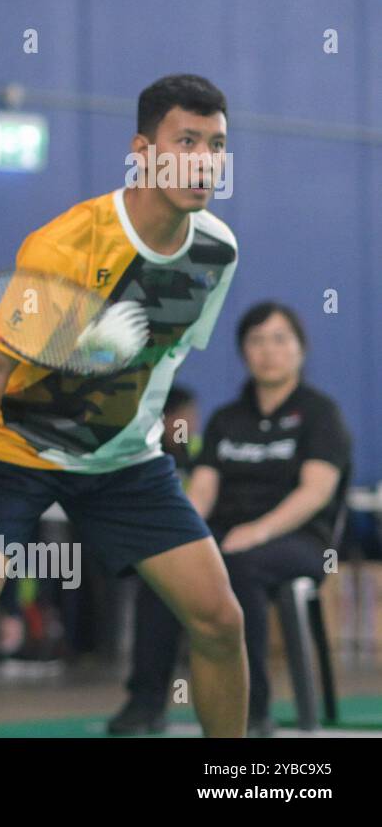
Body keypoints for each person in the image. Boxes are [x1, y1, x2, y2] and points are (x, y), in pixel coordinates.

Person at [0, 73, 246, 737]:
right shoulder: (67, 244)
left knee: (219, 620)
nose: (204, 161)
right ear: (143, 151)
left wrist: (103, 353)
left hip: (124, 461)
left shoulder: (217, 253)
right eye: (186, 142)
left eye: (216, 145)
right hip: (17, 450)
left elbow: (164, 359)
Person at [109, 303, 351, 736]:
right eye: (256, 340)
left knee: (239, 568)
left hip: (300, 540)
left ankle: (252, 711)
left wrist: (257, 532)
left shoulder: (320, 414)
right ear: (243, 351)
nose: (268, 350)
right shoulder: (227, 419)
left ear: (300, 349)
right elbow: (202, 491)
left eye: (280, 339)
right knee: (165, 567)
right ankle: (144, 703)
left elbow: (315, 492)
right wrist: (177, 537)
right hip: (227, 534)